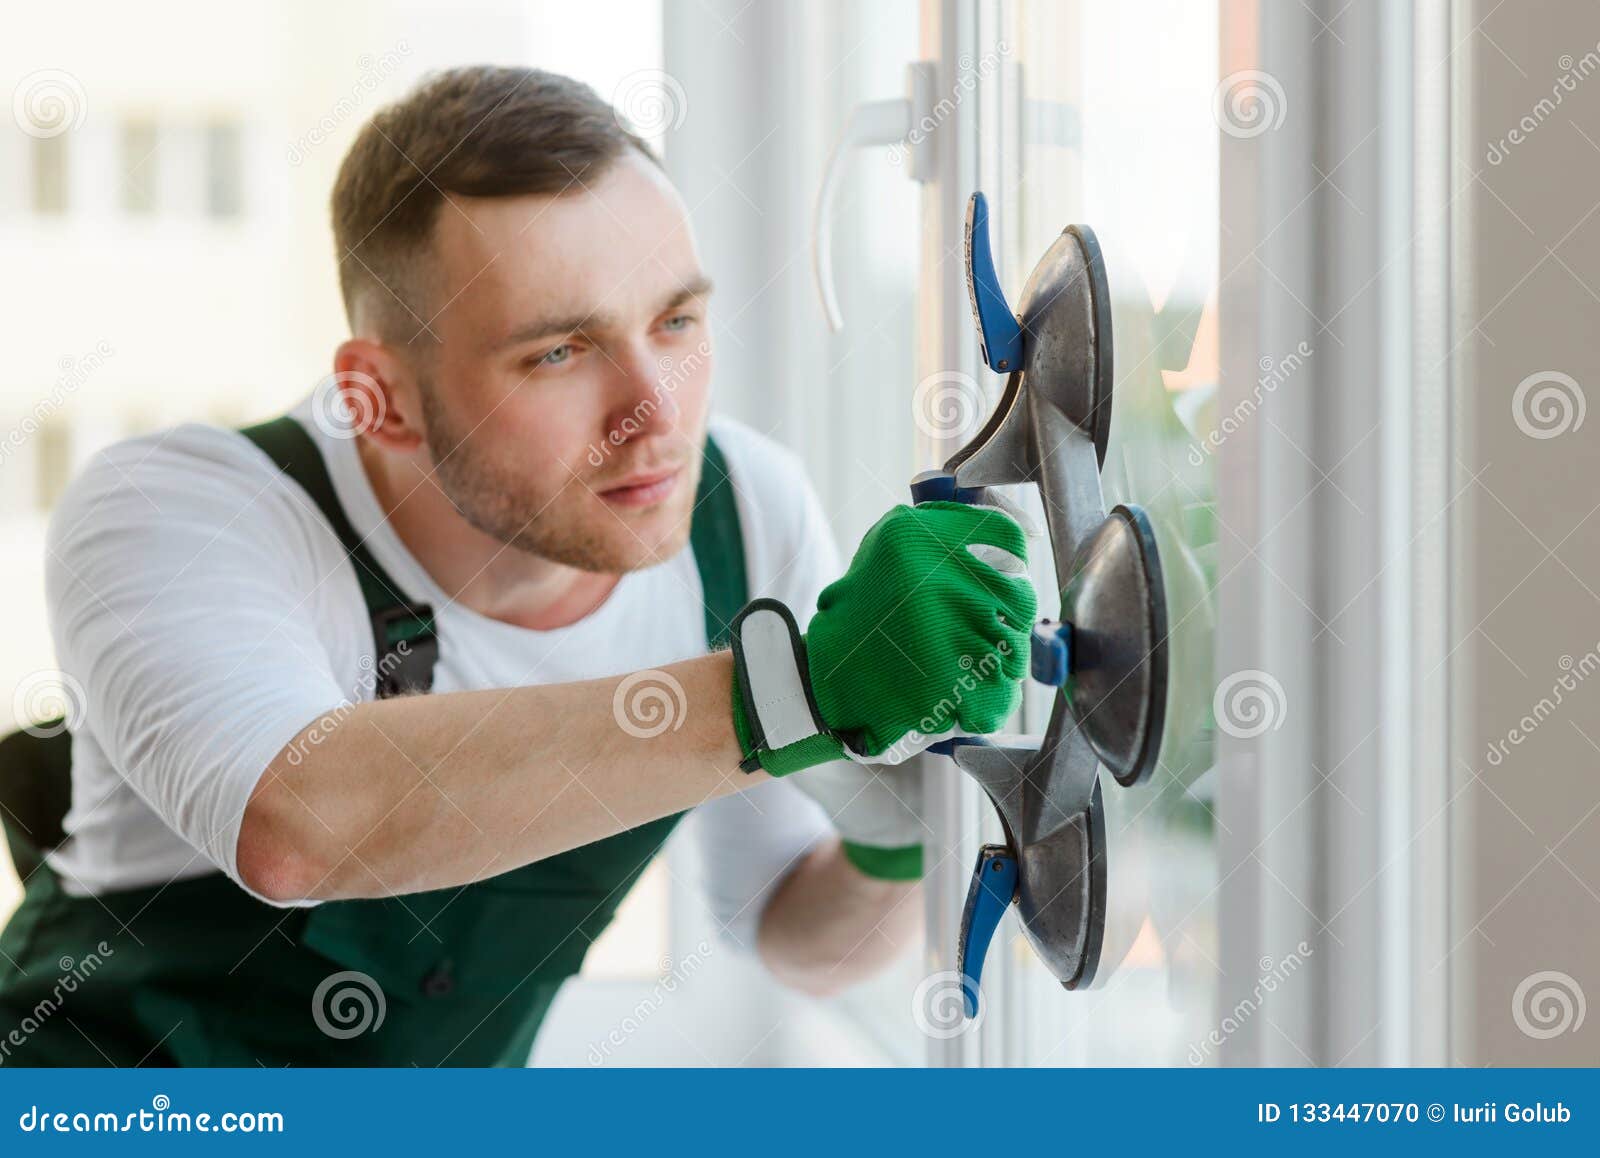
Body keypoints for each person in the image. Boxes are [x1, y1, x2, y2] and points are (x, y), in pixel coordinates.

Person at [0, 66, 1034, 1066]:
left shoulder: (744, 513)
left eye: (675, 321)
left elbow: (789, 931)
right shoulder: (182, 507)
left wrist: (896, 845)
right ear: (380, 398)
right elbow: (296, 825)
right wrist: (788, 698)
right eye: (558, 353)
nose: (656, 414)